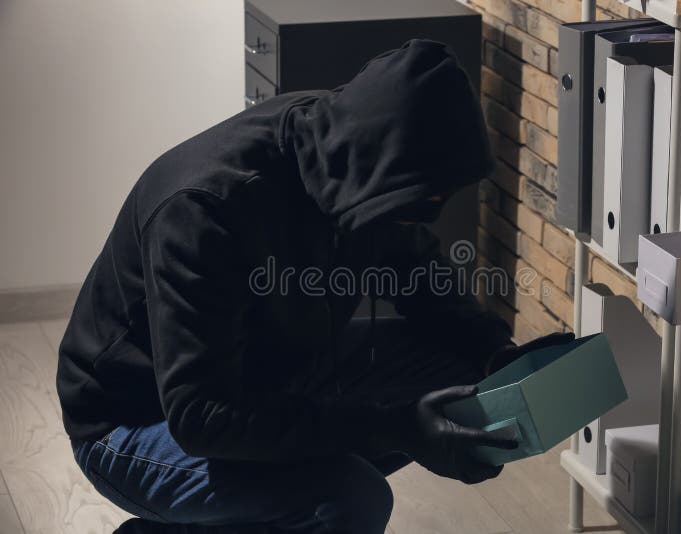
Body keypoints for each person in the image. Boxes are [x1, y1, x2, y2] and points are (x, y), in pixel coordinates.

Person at [57, 40, 572, 534]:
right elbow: (201, 418)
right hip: (135, 425)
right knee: (351, 496)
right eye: (422, 198)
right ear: (379, 167)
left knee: (459, 379)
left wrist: (495, 355)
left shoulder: (351, 156)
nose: (429, 215)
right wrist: (395, 427)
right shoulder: (204, 209)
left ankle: (244, 514)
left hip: (262, 370)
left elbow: (422, 281)